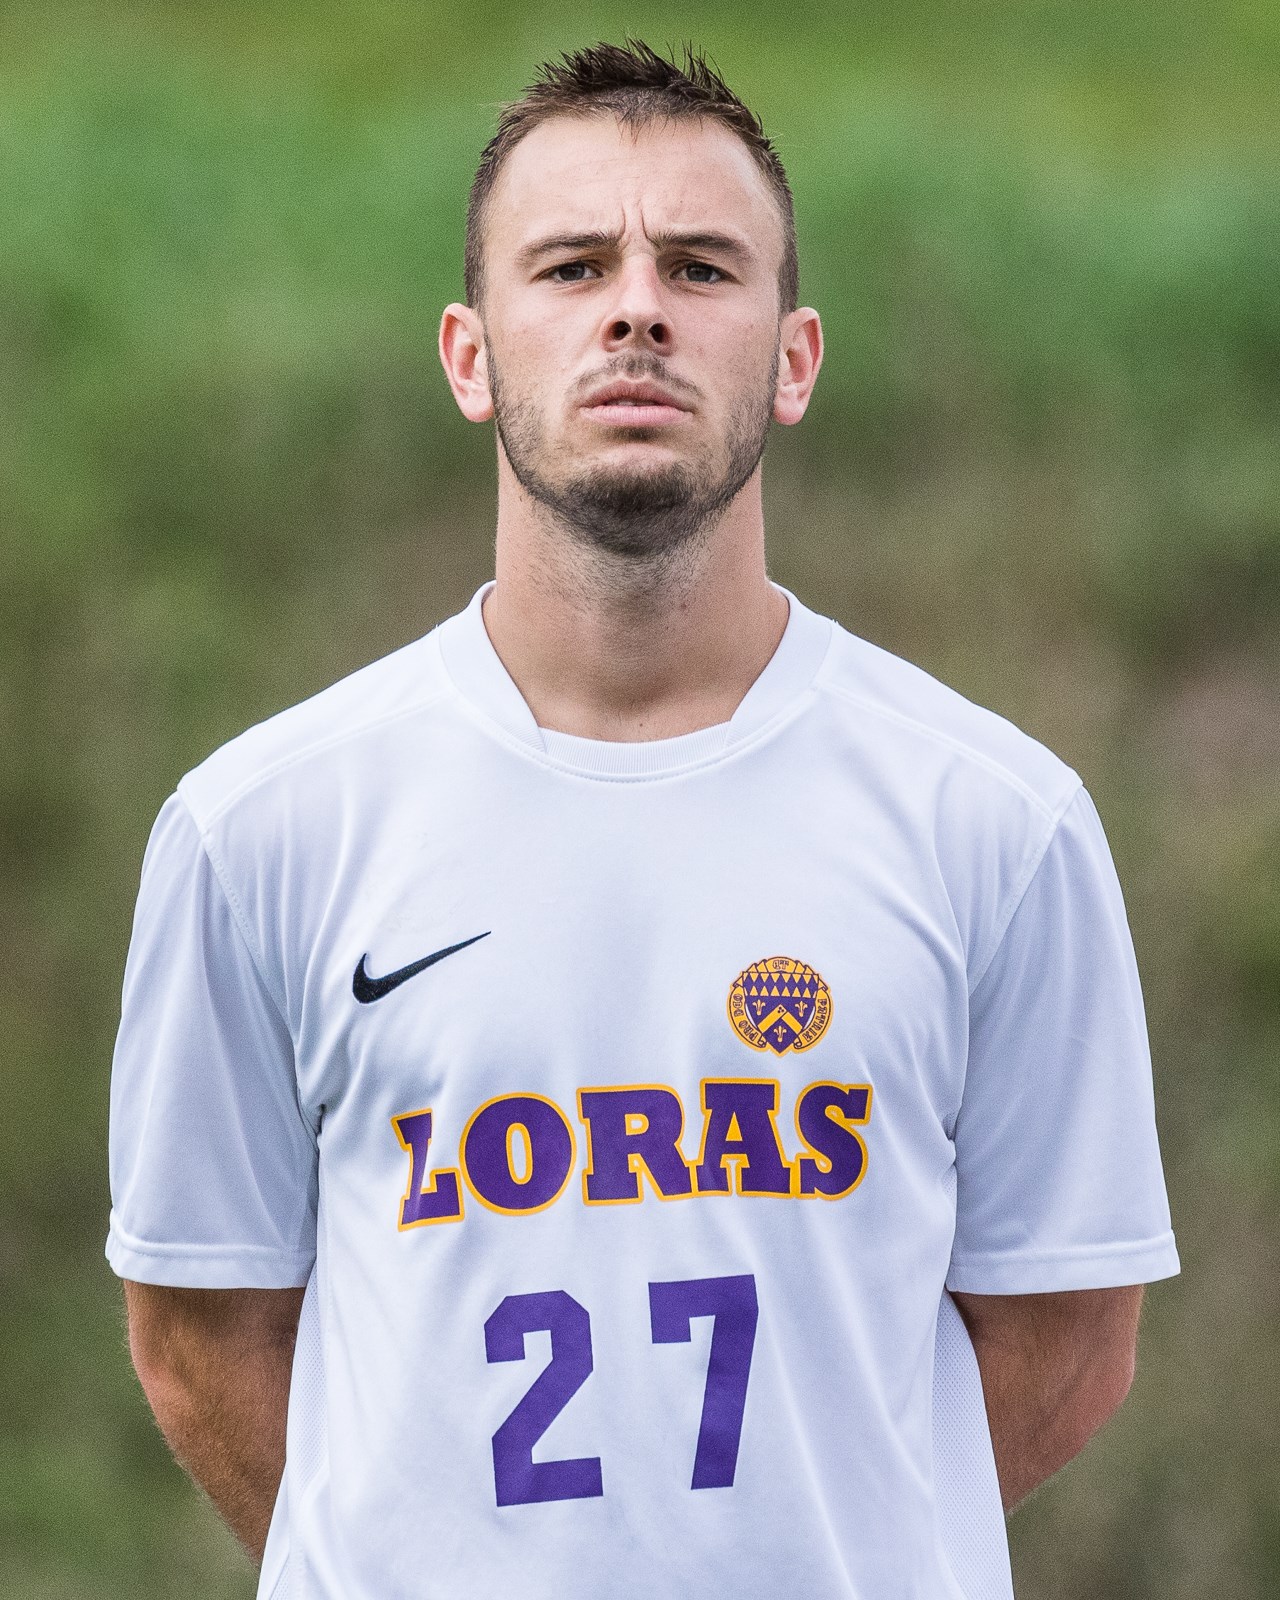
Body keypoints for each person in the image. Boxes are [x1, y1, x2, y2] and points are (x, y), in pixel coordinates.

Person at [107, 39, 1180, 1600]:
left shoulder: (995, 821)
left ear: (794, 359)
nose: (635, 308)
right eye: (569, 265)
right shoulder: (260, 827)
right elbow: (201, 1340)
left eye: (699, 265)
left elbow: (1067, 1345)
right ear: (470, 354)